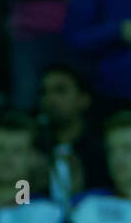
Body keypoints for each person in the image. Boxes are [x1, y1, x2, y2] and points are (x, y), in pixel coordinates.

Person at [36, 65, 109, 208]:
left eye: (60, 91)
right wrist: (30, 187)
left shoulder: (102, 151)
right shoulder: (33, 148)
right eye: (44, 92)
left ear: (84, 99)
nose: (50, 99)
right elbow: (19, 203)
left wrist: (80, 194)